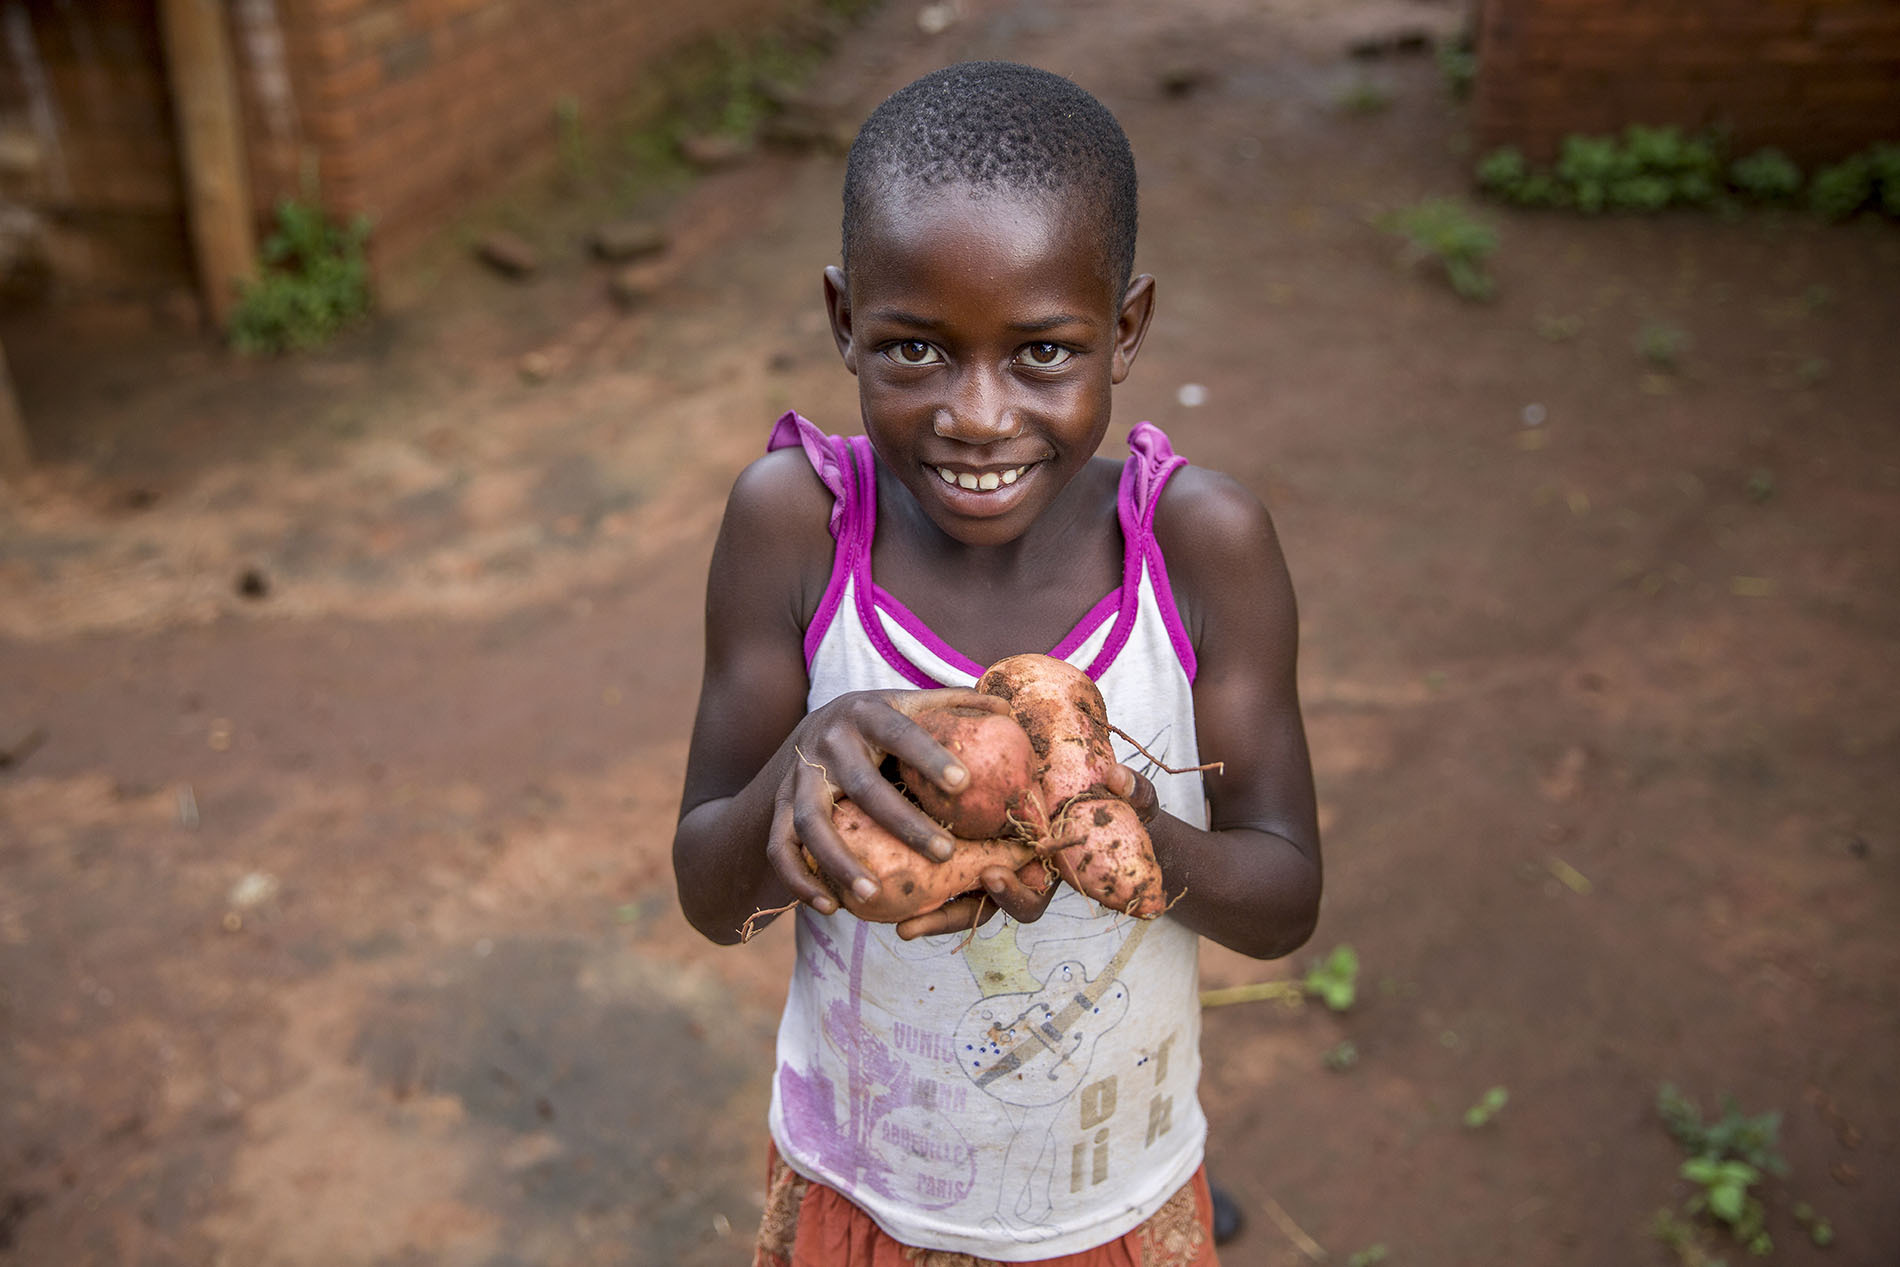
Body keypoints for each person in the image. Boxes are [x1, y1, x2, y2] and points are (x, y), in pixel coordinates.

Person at [672, 61, 1321, 1267]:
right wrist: (802, 775)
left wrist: (1126, 838)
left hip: (1108, 1196)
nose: (976, 415)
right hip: (861, 1188)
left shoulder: (1199, 546)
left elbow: (1285, 897)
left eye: (1041, 353)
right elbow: (714, 901)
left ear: (1124, 331)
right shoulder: (793, 529)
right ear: (840, 321)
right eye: (913, 349)